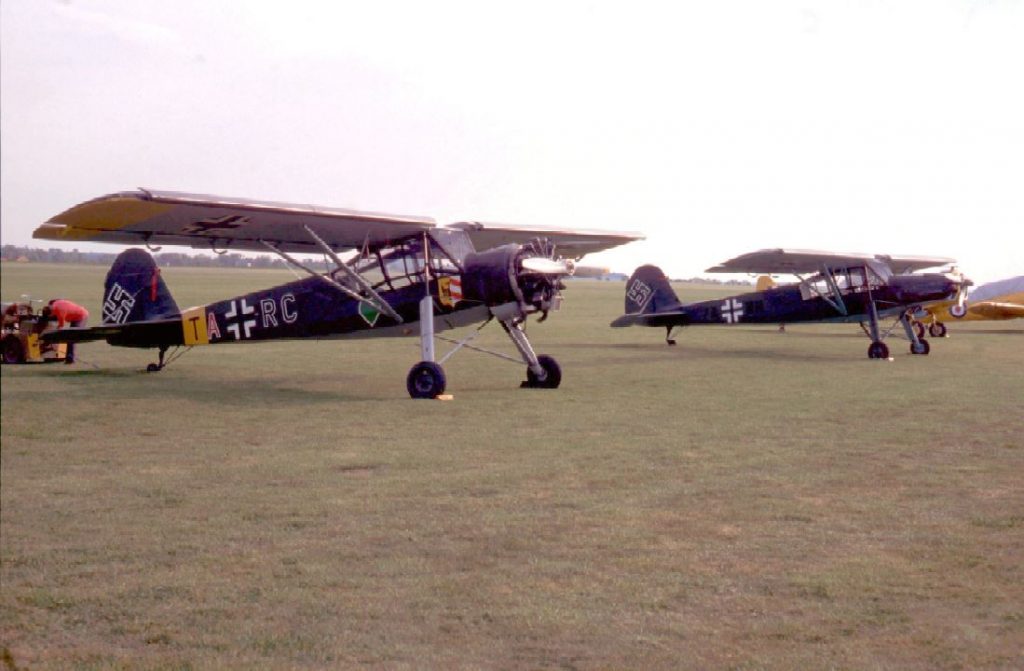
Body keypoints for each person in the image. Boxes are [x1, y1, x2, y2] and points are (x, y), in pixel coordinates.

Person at [41, 299, 89, 364]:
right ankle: (68, 357)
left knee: (72, 337)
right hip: (74, 316)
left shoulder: (60, 311)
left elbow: (61, 327)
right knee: (69, 337)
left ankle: (70, 358)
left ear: (51, 313)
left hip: (81, 316)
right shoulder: (54, 305)